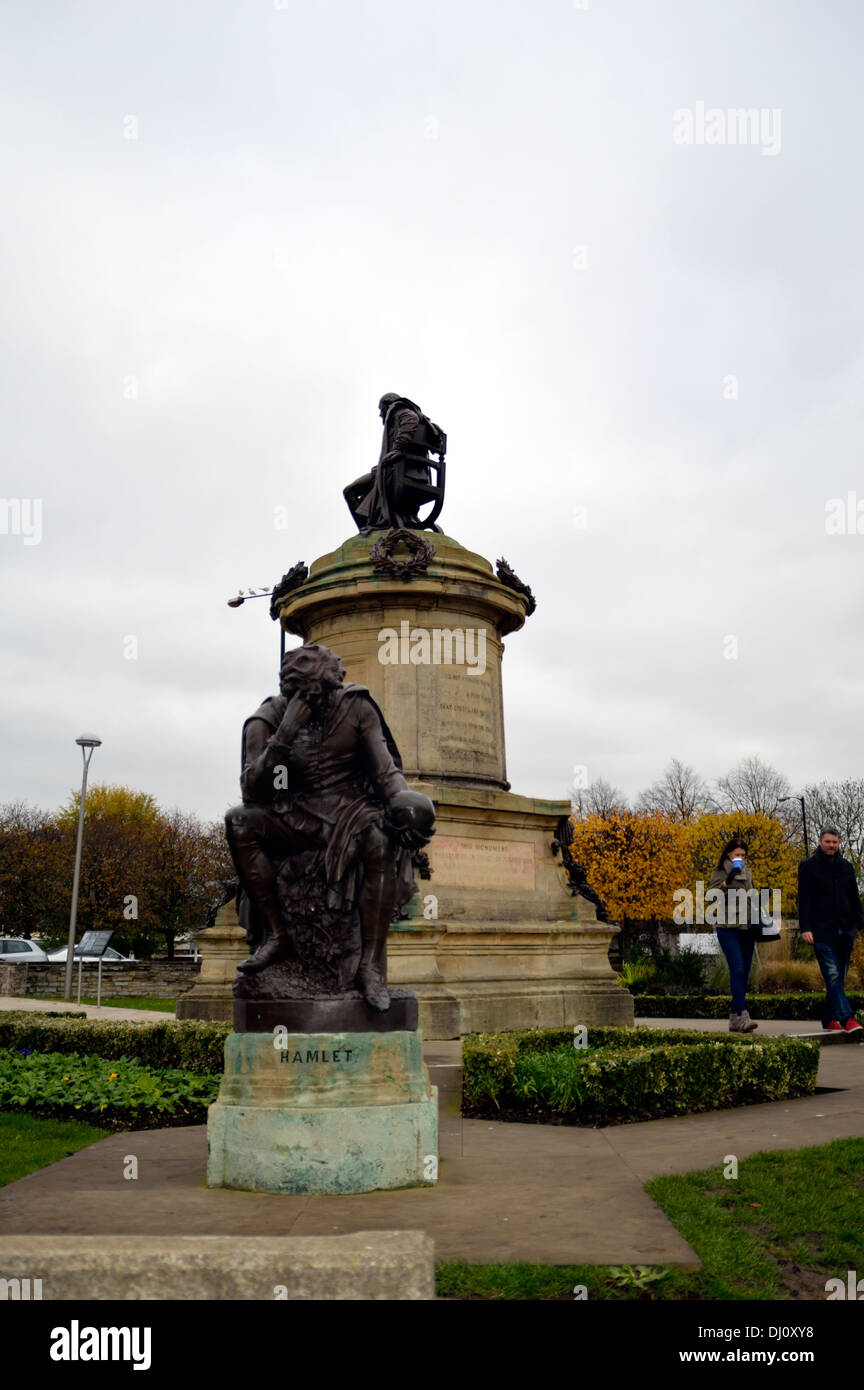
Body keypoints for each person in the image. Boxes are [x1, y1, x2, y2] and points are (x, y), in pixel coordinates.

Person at [224, 644, 434, 1011]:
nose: (322, 702)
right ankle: (277, 934)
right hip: (291, 815)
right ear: (294, 693)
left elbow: (386, 774)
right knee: (238, 821)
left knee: (379, 838)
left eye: (327, 693)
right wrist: (285, 734)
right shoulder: (267, 719)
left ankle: (370, 965)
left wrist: (410, 804)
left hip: (348, 812)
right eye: (311, 696)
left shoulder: (355, 706)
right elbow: (253, 790)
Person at [797, 825, 863, 1034]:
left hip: (846, 930)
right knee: (833, 975)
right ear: (819, 842)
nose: (831, 845)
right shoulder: (808, 866)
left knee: (838, 978)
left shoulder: (847, 867)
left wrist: (858, 923)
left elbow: (854, 897)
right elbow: (804, 899)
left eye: (835, 842)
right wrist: (805, 927)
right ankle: (846, 1018)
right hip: (821, 930)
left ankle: (827, 1019)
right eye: (828, 842)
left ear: (839, 843)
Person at [708, 837, 759, 1032]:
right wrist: (727, 880)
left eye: (743, 855)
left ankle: (733, 1018)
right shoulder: (718, 872)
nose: (741, 858)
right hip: (727, 927)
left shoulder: (749, 872)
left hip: (747, 927)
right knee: (736, 968)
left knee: (743, 973)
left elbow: (752, 895)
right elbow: (712, 896)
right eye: (737, 854)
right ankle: (743, 1017)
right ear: (728, 854)